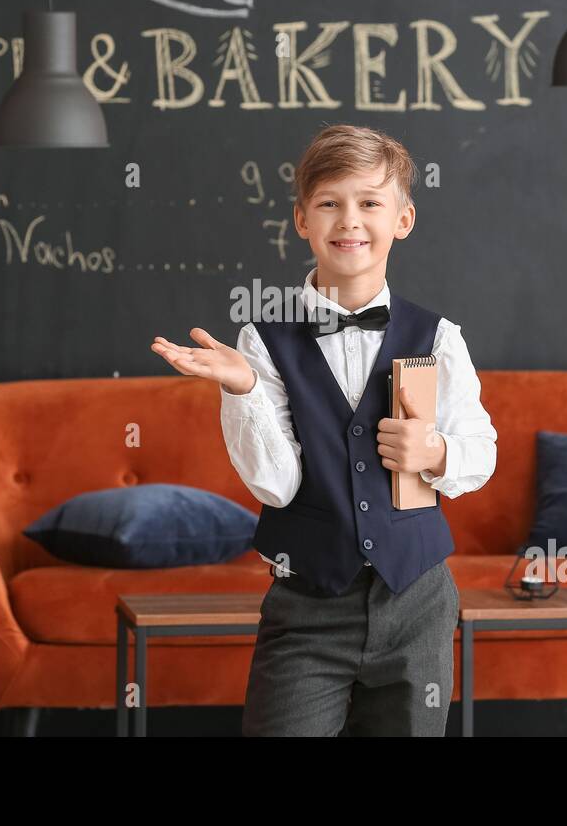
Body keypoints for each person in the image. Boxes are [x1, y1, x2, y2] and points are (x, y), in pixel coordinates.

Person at [152, 124, 497, 735]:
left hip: (417, 601)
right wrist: (245, 389)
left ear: (403, 219)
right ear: (302, 220)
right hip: (307, 602)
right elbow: (278, 487)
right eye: (329, 203)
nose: (350, 221)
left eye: (369, 203)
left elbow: (481, 452)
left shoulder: (440, 338)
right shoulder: (262, 340)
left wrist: (437, 450)